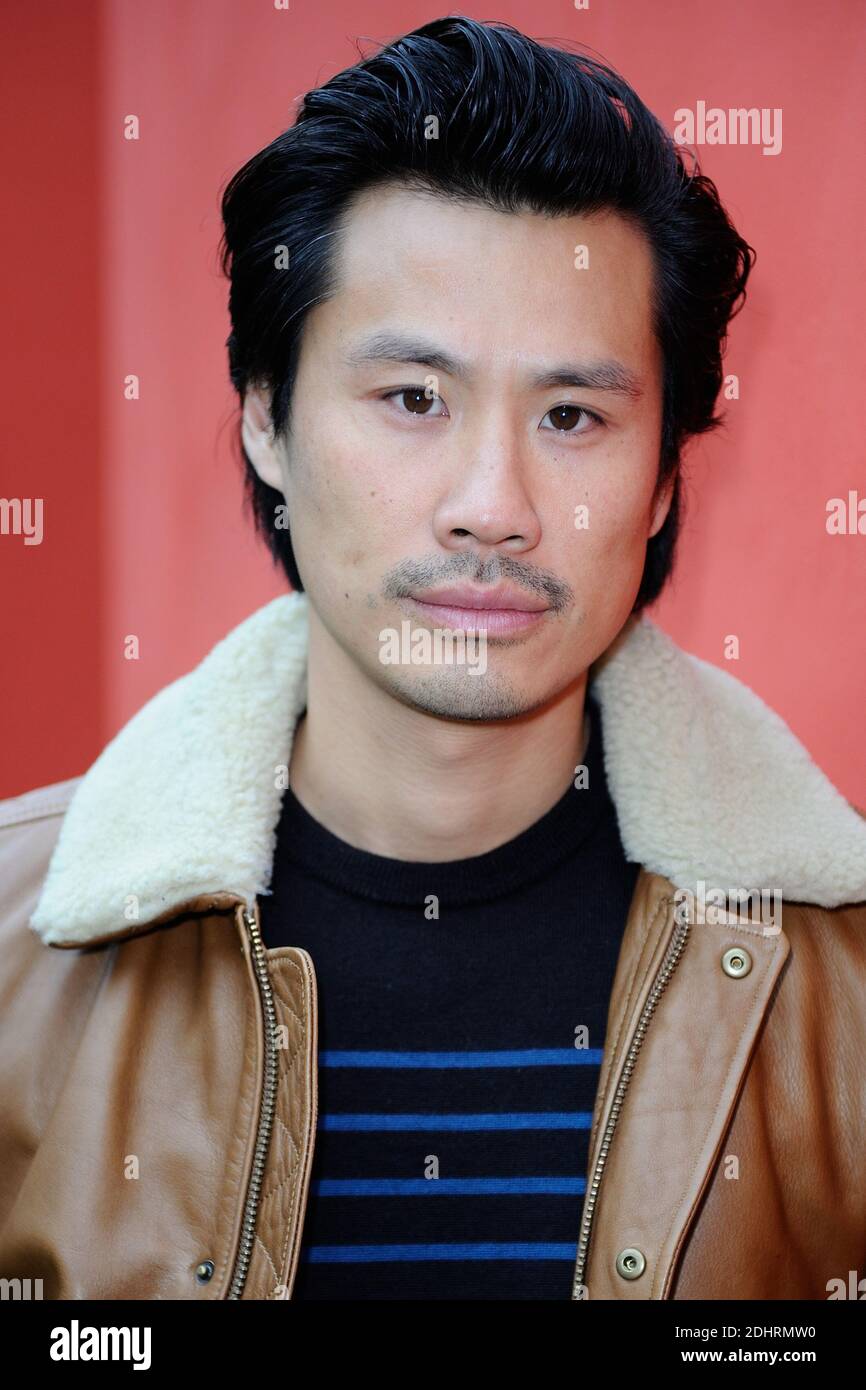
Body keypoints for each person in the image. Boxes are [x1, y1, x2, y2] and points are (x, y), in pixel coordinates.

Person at [2, 15, 865, 1302]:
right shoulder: (20, 961)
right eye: (413, 398)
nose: (491, 502)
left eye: (571, 415)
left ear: (666, 479)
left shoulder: (839, 984)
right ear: (265, 421)